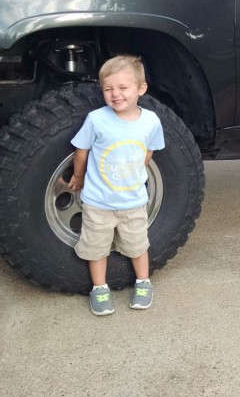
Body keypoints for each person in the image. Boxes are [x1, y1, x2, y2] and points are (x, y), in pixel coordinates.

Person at [65, 55, 165, 315]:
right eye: (108, 89)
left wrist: (136, 172)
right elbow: (82, 151)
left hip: (133, 202)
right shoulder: (97, 119)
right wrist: (78, 176)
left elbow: (149, 152)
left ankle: (143, 282)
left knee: (138, 245)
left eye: (123, 88)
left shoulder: (151, 121)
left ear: (141, 89)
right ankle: (99, 288)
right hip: (98, 203)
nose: (115, 94)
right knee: (96, 248)